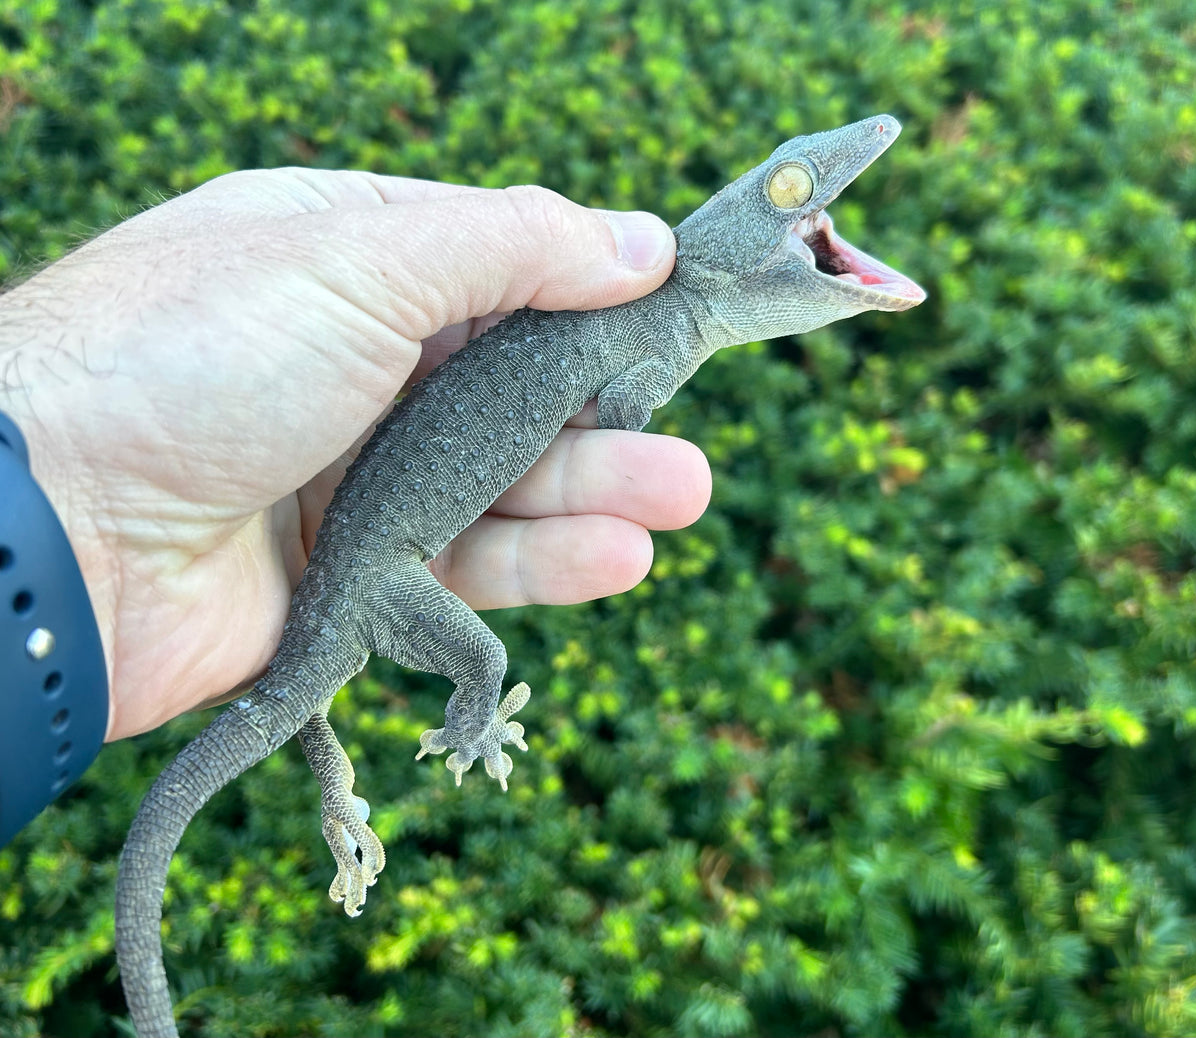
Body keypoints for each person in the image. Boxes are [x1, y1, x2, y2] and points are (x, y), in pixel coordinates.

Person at [0, 168, 712, 837]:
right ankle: (453, 741)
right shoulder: (649, 328)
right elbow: (625, 409)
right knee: (452, 665)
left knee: (308, 683)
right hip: (368, 568)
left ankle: (345, 800)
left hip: (350, 558)